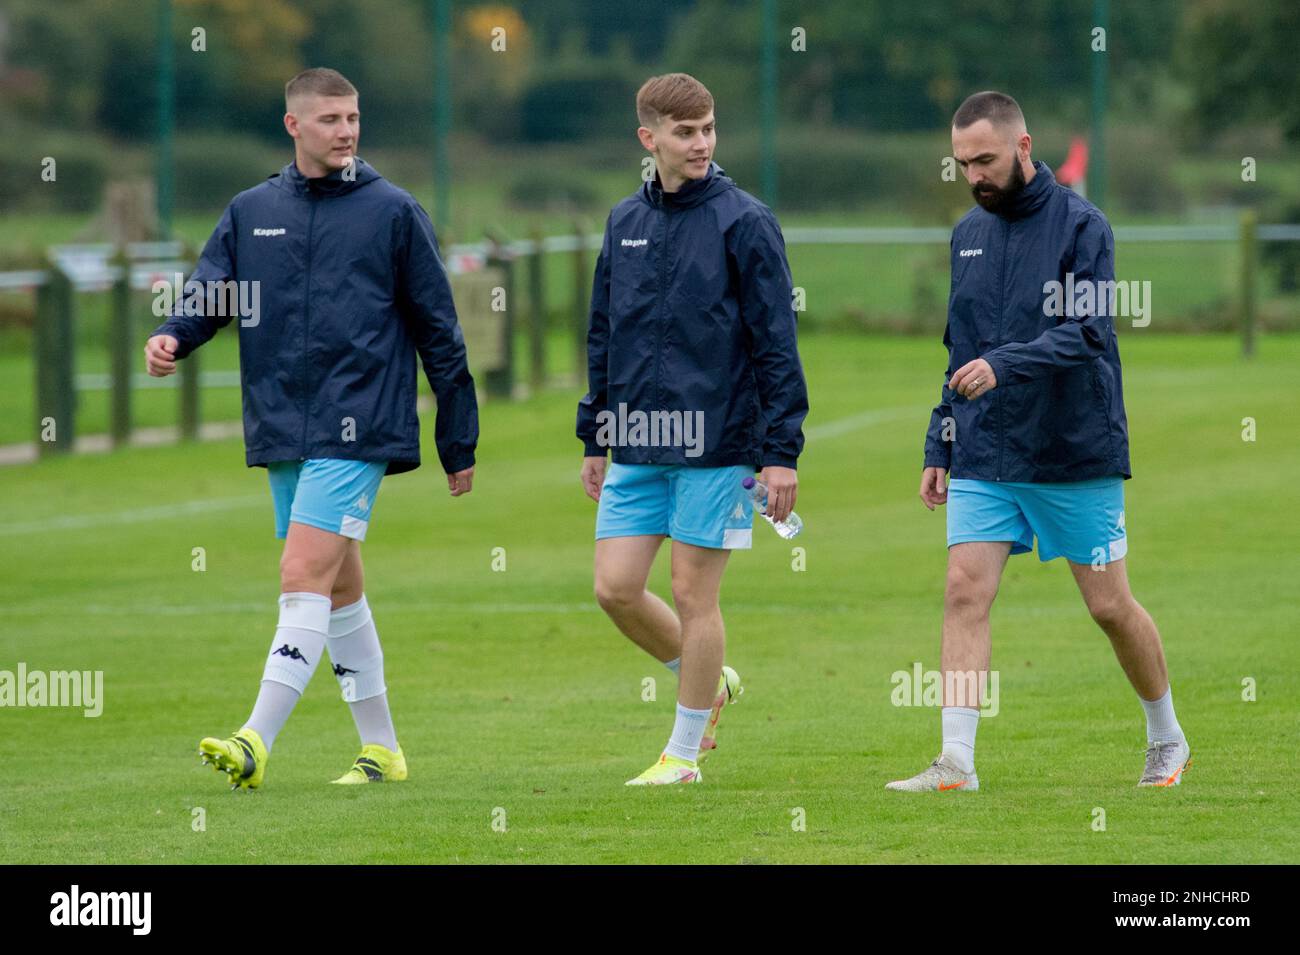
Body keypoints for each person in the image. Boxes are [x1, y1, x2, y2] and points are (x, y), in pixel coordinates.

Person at [144, 67, 477, 789]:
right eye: (330, 119)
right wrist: (173, 334)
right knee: (337, 587)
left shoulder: (393, 210)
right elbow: (212, 291)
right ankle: (383, 749)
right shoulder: (252, 209)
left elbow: (439, 329)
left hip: (361, 427)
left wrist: (459, 435)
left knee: (300, 574)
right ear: (294, 125)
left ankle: (255, 739)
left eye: (353, 117)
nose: (347, 131)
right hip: (282, 425)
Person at [889, 90, 1190, 792]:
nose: (975, 176)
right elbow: (958, 347)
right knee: (965, 589)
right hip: (986, 452)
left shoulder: (1084, 226)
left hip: (1070, 448)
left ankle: (1166, 736)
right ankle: (955, 763)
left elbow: (1088, 334)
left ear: (1024, 147)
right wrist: (941, 444)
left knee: (1109, 605)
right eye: (963, 163)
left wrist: (1003, 365)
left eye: (986, 160)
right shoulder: (967, 232)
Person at [577, 73, 809, 785]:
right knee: (615, 588)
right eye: (685, 132)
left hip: (720, 445)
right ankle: (707, 679)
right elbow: (604, 332)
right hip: (637, 444)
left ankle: (682, 756)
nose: (701, 142)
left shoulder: (745, 221)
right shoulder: (624, 223)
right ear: (649, 139)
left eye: (708, 128)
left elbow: (776, 343)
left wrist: (780, 454)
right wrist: (595, 435)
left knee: (690, 591)